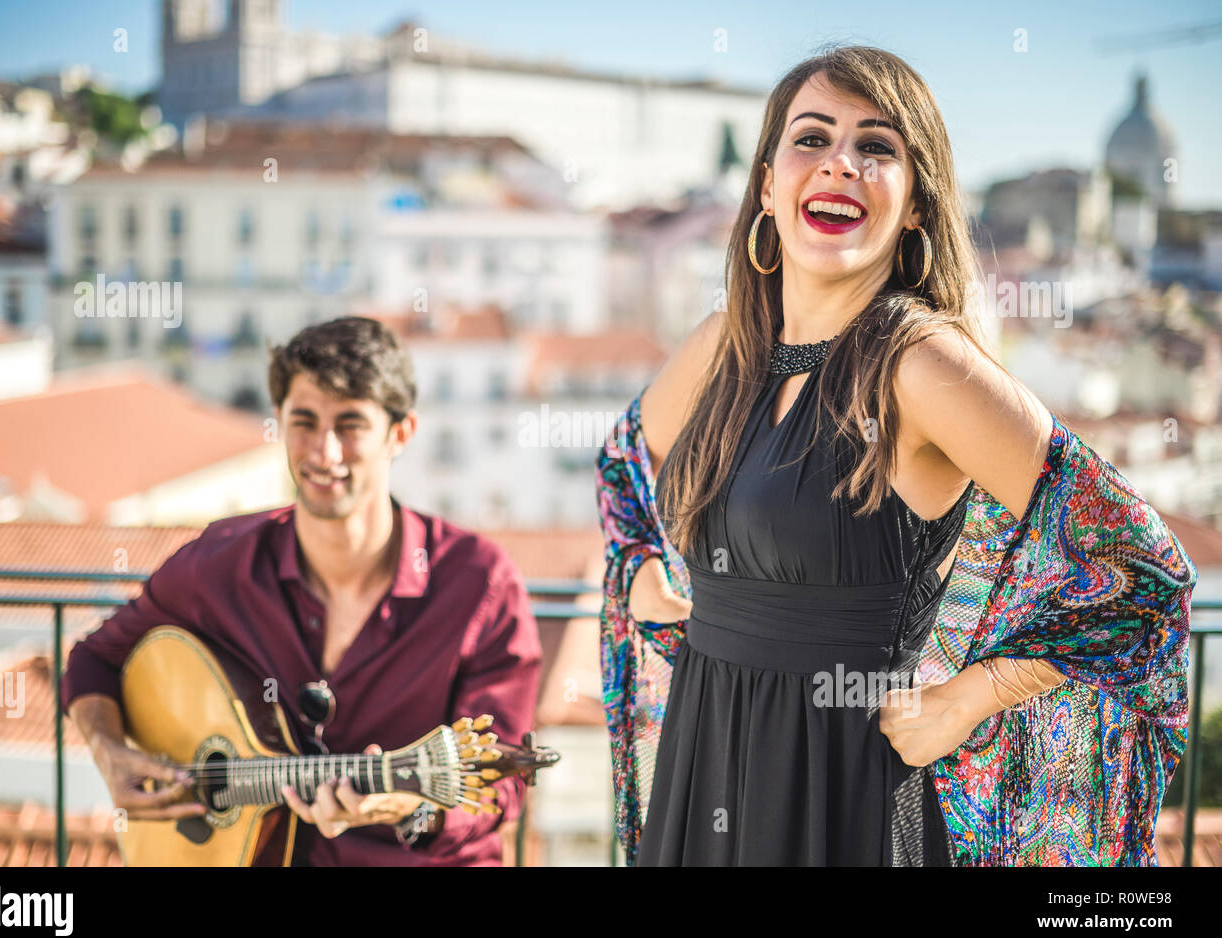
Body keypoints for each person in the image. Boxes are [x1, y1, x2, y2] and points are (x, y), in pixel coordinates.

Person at [596, 45, 1196, 866]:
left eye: (876, 147)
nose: (840, 162)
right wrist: (636, 566)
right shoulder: (733, 340)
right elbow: (623, 460)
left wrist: (971, 698)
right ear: (766, 184)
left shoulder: (922, 364)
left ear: (915, 205)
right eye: (812, 139)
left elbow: (1145, 572)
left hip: (848, 790)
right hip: (706, 768)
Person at [63, 316, 543, 866]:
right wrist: (109, 751)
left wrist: (410, 807)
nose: (324, 452)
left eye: (350, 425)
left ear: (401, 433)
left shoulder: (480, 583)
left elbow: (499, 782)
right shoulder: (219, 564)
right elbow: (94, 659)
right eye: (305, 422)